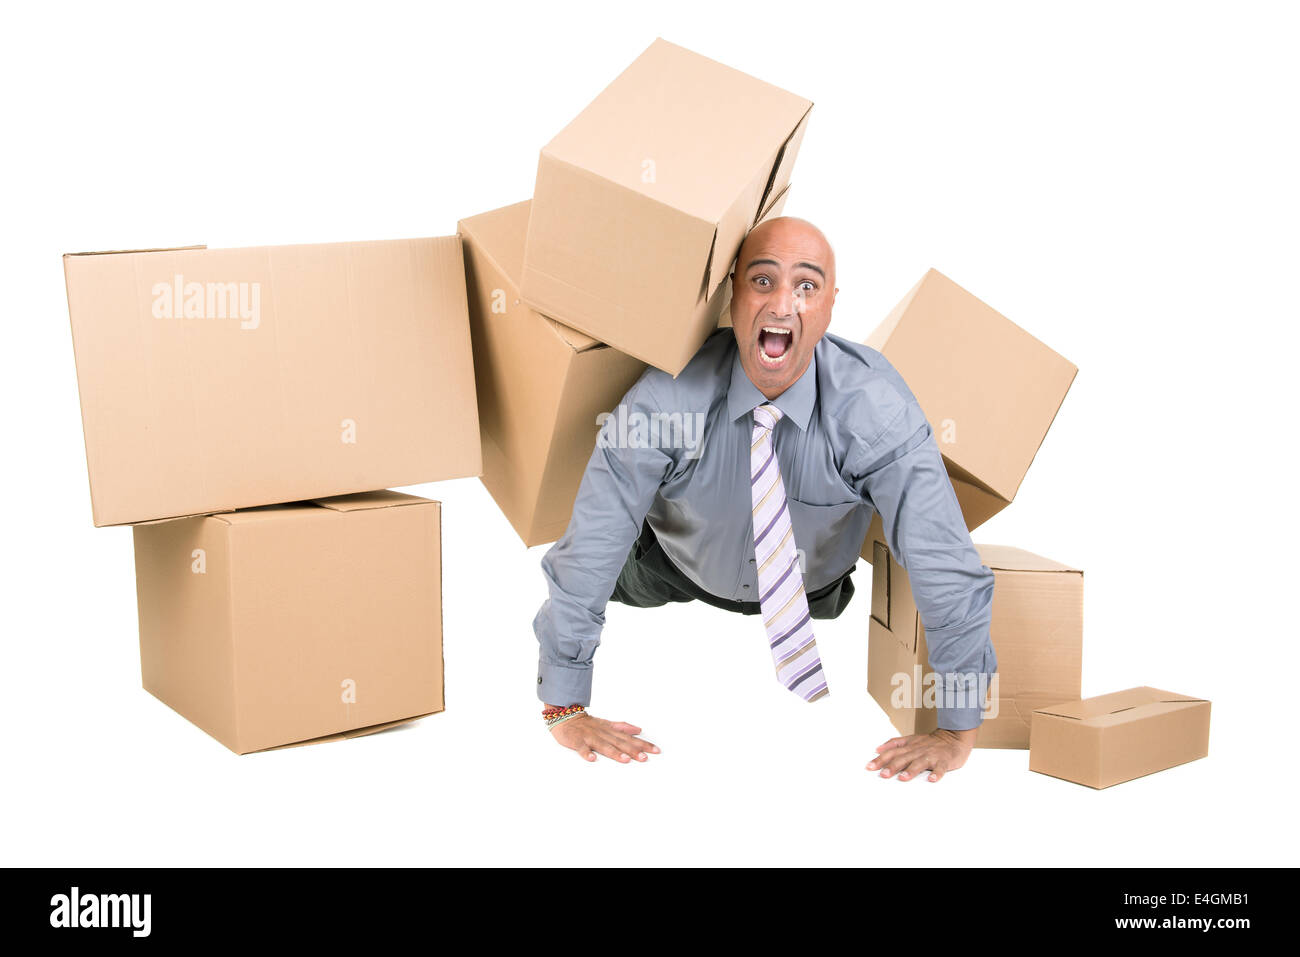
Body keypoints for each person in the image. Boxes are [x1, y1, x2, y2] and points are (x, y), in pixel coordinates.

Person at [533, 217, 996, 782]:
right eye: (761, 280)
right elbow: (594, 542)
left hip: (812, 593)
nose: (782, 305)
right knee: (613, 567)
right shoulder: (666, 398)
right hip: (671, 569)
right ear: (732, 294)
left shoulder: (875, 408)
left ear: (830, 305)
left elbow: (942, 562)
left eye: (806, 286)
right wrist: (564, 703)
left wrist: (957, 728)